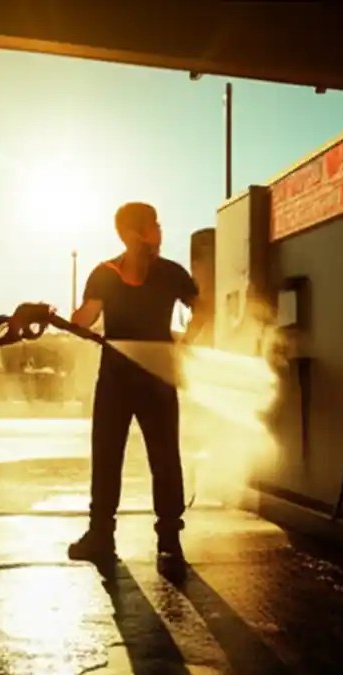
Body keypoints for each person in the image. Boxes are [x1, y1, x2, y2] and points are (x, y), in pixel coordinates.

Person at [68, 202, 205, 573]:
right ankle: (131, 540)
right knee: (133, 456)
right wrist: (185, 343)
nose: (160, 232)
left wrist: (186, 345)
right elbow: (86, 318)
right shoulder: (116, 273)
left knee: (143, 457)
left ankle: (148, 539)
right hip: (136, 377)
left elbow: (85, 319)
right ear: (135, 234)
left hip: (133, 377)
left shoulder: (122, 272)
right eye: (154, 226)